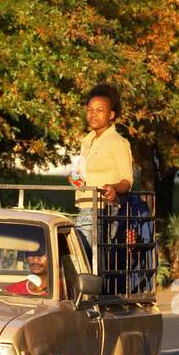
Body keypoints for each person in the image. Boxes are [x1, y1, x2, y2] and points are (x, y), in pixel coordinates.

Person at [68, 83, 133, 260]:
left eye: (99, 110)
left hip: (103, 210)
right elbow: (81, 177)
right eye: (90, 109)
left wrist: (114, 188)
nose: (93, 114)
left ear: (111, 114)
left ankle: (97, 288)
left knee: (86, 259)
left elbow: (127, 180)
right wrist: (75, 179)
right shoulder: (87, 141)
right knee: (81, 260)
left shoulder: (117, 142)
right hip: (83, 208)